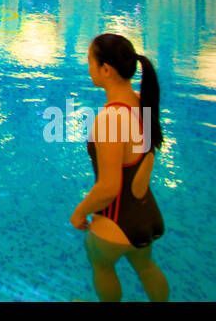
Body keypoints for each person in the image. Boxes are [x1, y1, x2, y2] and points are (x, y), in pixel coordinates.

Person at [70, 33, 169, 301]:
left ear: (106, 69)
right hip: (145, 214)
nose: (87, 66)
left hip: (115, 225)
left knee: (101, 266)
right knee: (146, 266)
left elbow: (109, 188)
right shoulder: (140, 101)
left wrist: (79, 213)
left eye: (89, 60)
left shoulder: (111, 119)